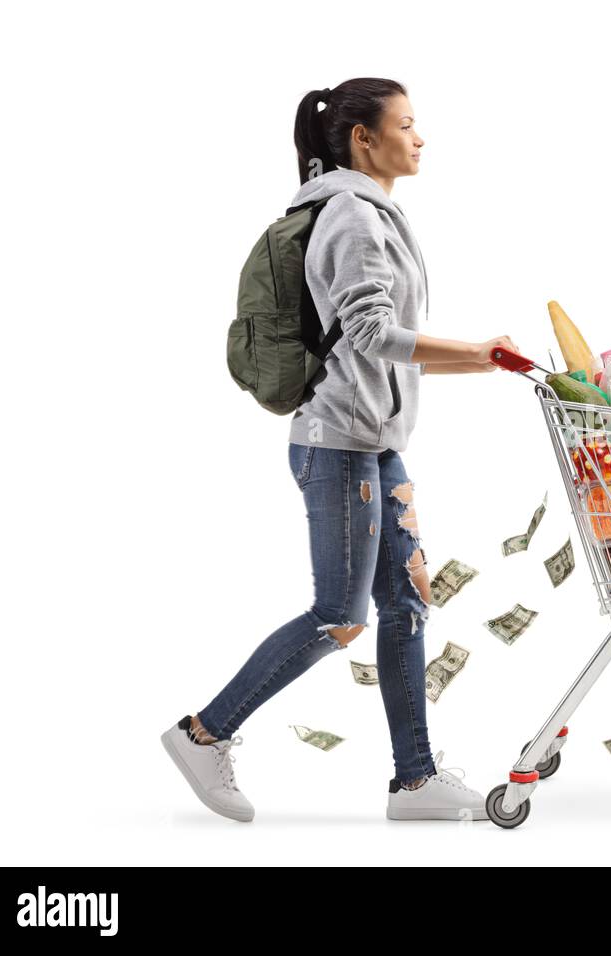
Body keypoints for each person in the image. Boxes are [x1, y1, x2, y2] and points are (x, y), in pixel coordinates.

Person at [161, 77, 520, 823]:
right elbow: (369, 333)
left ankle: (415, 782)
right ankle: (204, 733)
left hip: (374, 448)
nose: (420, 137)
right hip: (339, 448)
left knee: (407, 605)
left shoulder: (370, 211)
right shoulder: (352, 214)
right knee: (339, 614)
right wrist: (474, 347)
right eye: (408, 124)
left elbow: (389, 348)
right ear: (364, 137)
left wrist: (483, 359)